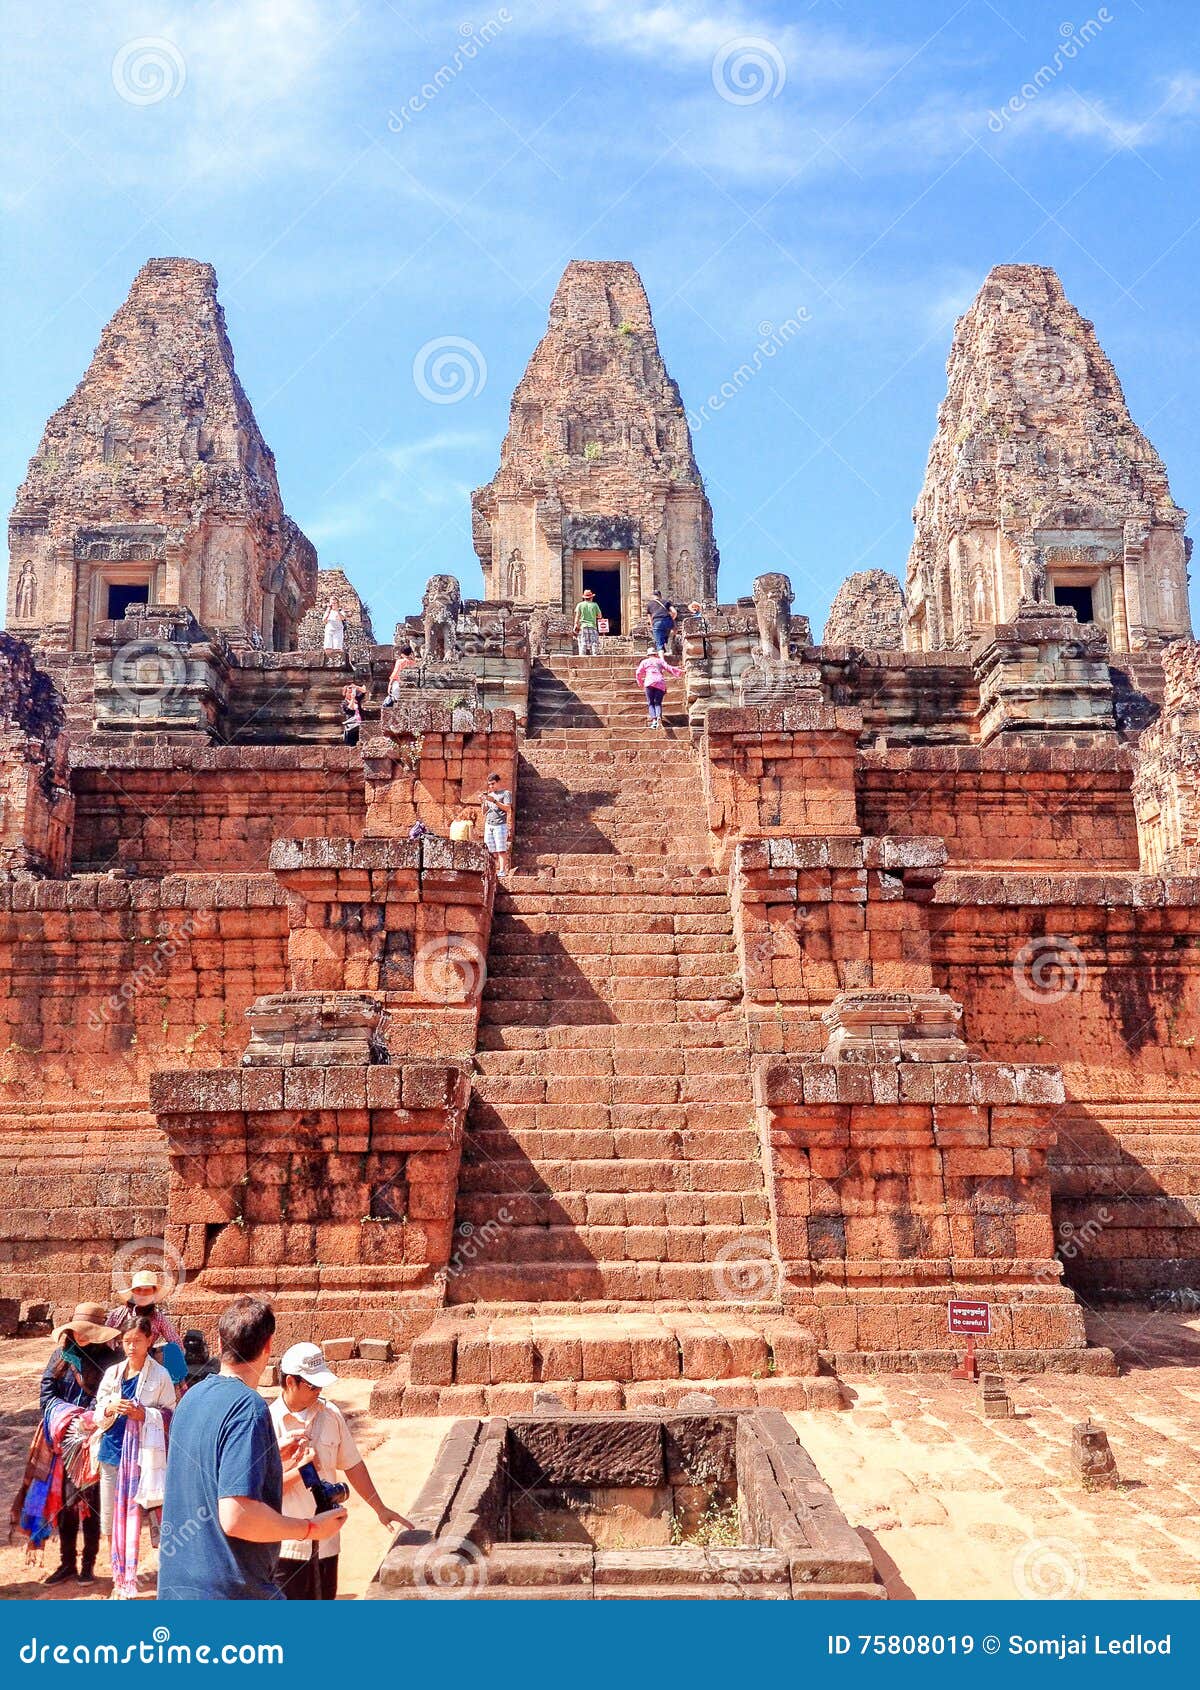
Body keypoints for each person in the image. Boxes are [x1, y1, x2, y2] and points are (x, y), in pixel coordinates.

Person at [158, 1296, 345, 1600]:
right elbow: (237, 1517)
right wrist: (310, 1528)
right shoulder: (249, 1408)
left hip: (178, 1587)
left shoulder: (190, 1399)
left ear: (219, 1344)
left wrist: (268, 1457)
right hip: (232, 1591)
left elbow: (208, 1474)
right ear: (269, 1345)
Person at [271, 1343, 410, 1601]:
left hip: (326, 1544)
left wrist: (379, 1507)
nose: (319, 1391)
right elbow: (263, 1491)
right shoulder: (267, 1423)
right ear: (290, 1382)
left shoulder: (330, 1414)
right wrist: (299, 1471)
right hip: (285, 1548)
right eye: (312, 1386)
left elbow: (353, 1464)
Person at [23, 1303, 120, 1586]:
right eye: (78, 1330)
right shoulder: (60, 1357)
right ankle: (67, 1563)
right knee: (66, 1503)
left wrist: (87, 1420)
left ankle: (88, 1565)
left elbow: (107, 1396)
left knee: (90, 1504)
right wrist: (64, 1417)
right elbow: (47, 1392)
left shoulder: (110, 1361)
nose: (82, 1335)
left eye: (88, 1331)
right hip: (61, 1441)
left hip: (93, 1440)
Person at [94, 1316, 175, 1598]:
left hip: (145, 1458)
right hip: (112, 1453)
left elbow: (171, 1414)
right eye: (126, 1341)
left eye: (137, 1341)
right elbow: (97, 1412)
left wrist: (145, 1415)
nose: (131, 1346)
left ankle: (160, 1574)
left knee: (149, 1518)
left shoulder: (160, 1376)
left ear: (149, 1340)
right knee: (110, 1518)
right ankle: (119, 1575)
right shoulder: (113, 1374)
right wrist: (109, 1407)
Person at [635, 646, 682, 730]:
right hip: (660, 683)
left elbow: (638, 673)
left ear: (648, 655)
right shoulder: (660, 661)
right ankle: (659, 716)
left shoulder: (645, 662)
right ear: (655, 654)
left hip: (649, 682)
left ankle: (654, 720)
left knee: (651, 703)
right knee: (658, 703)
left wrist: (640, 683)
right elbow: (669, 668)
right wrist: (680, 671)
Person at [478, 771, 513, 877]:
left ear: (498, 782)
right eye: (489, 784)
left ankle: (502, 870)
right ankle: (492, 870)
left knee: (501, 849)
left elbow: (508, 809)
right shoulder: (489, 795)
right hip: (489, 825)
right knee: (490, 850)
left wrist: (495, 801)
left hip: (500, 825)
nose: (491, 786)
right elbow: (484, 812)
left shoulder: (506, 794)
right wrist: (483, 802)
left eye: (493, 783)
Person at [646, 590, 676, 656]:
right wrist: (671, 619)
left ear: (652, 596)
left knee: (659, 644)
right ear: (660, 595)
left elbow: (650, 619)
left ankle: (662, 660)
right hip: (668, 621)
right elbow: (674, 612)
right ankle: (669, 650)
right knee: (669, 637)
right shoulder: (666, 602)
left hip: (657, 622)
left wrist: (652, 626)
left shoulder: (649, 604)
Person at [573, 589, 602, 657]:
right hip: (592, 626)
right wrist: (593, 615)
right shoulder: (595, 605)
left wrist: (575, 625)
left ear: (584, 598)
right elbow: (600, 616)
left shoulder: (580, 605)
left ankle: (582, 658)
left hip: (583, 627)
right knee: (594, 643)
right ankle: (595, 657)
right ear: (591, 597)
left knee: (583, 643)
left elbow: (577, 616)